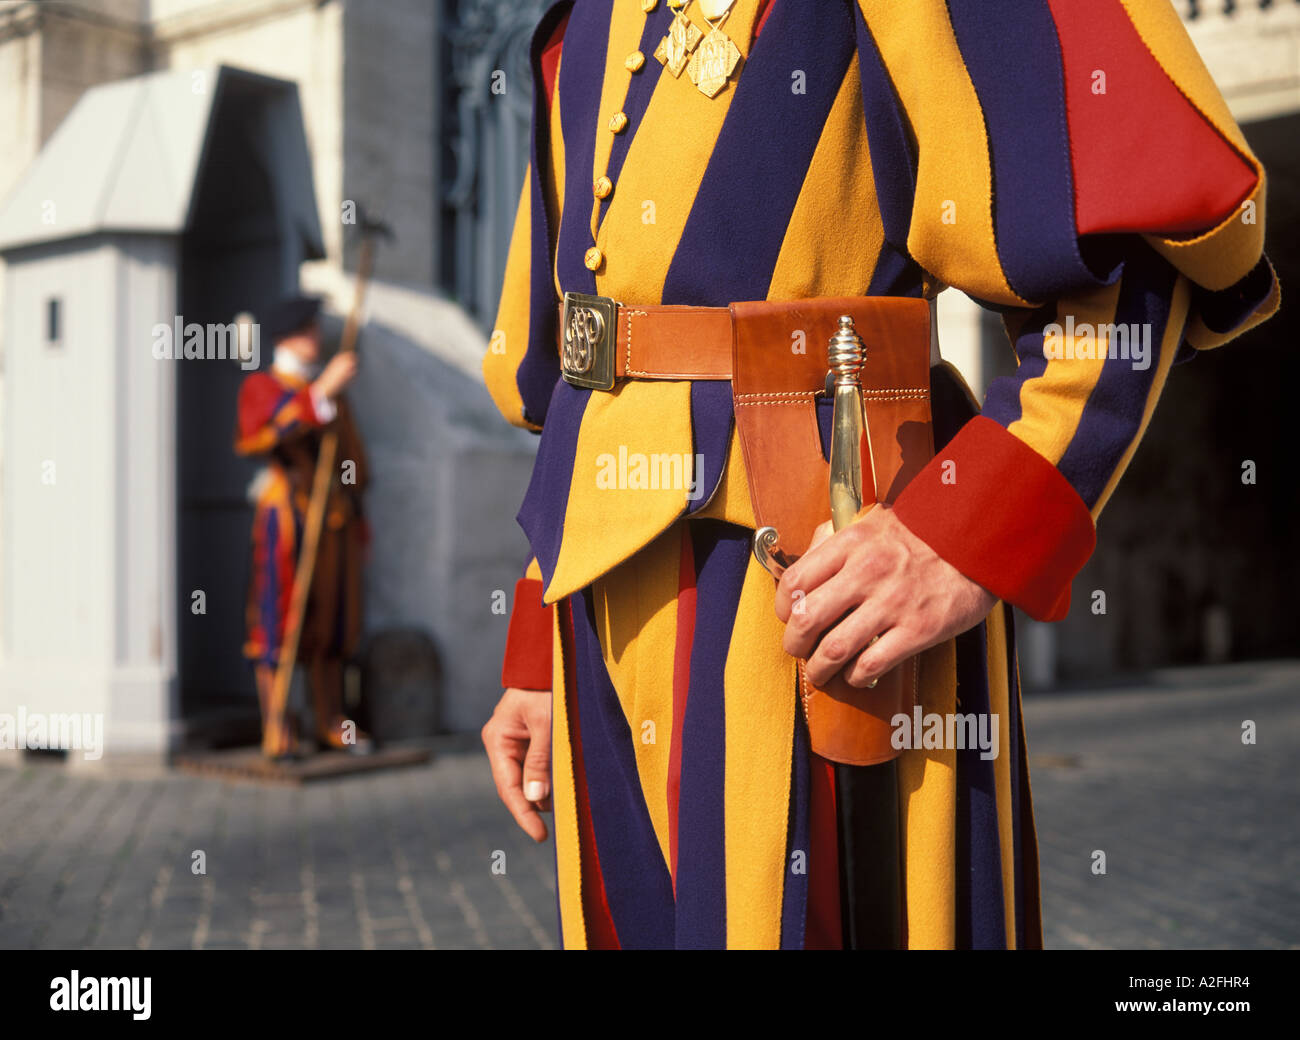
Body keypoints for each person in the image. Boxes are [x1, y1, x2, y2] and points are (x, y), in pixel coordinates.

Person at [480, 0, 1278, 949]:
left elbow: (1132, 234)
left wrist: (965, 530)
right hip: (594, 596)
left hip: (814, 561)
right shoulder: (579, 21)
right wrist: (536, 641)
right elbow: (581, 362)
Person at [235, 295, 371, 759]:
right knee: (280, 617)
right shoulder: (264, 387)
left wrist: (357, 511)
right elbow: (260, 438)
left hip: (331, 519)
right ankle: (277, 725)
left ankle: (331, 721)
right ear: (288, 335)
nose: (316, 338)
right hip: (286, 520)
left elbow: (354, 461)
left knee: (332, 622)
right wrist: (319, 398)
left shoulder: (332, 391)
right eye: (308, 330)